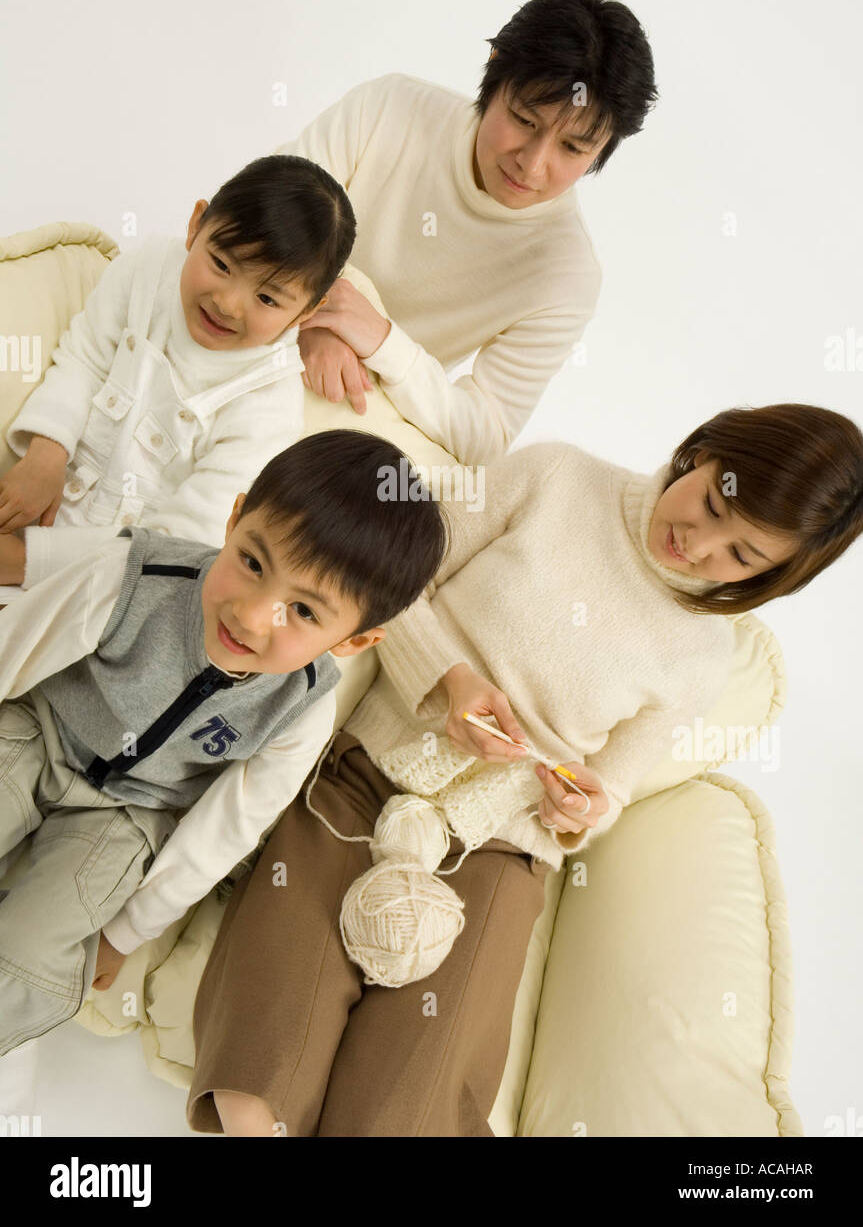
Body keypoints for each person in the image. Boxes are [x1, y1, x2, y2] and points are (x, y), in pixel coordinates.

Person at [182, 403, 863, 1136]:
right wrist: (445, 682)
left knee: (411, 1098)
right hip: (362, 783)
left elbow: (612, 789)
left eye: (741, 556)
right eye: (712, 504)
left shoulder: (702, 656)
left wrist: (583, 808)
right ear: (700, 454)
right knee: (264, 1065)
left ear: (772, 576)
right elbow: (379, 584)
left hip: (499, 850)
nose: (699, 546)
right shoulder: (554, 477)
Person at [0, 432, 448, 1104]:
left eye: (302, 611)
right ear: (235, 518)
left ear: (353, 642)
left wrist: (128, 932)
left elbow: (224, 830)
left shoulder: (299, 710)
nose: (250, 612)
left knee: (29, 963)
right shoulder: (135, 577)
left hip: (128, 816)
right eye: (251, 562)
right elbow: (18, 644)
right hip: (40, 732)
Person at [273, 0, 659, 465]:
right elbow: (267, 205)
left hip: (363, 413)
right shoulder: (390, 109)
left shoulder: (565, 274)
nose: (532, 163)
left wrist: (381, 342)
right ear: (495, 69)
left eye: (573, 148)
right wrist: (320, 317)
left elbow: (483, 434)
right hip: (264, 317)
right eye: (524, 120)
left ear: (603, 149)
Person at [0, 154, 355, 603]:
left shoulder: (269, 405)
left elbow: (182, 542)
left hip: (115, 591)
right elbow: (85, 358)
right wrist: (45, 456)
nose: (227, 303)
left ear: (304, 314)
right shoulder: (146, 271)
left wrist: (25, 562)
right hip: (32, 509)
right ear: (195, 226)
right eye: (222, 264)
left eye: (266, 298)